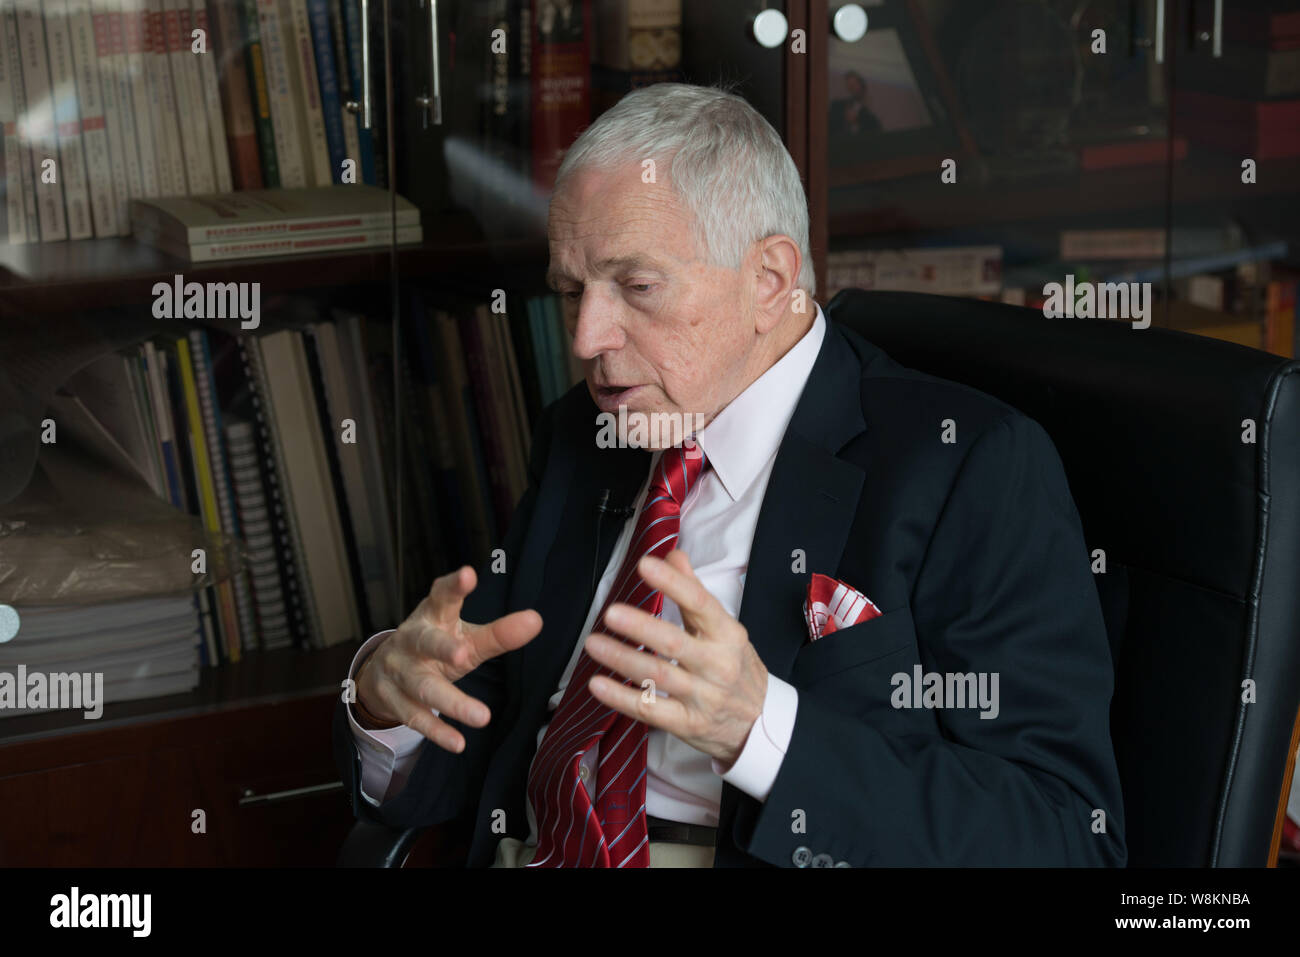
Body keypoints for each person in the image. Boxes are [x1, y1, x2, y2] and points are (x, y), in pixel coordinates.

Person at [333, 82, 1127, 868]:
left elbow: (1062, 834)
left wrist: (762, 727)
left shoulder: (969, 468)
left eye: (636, 287)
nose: (585, 337)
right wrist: (385, 698)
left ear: (770, 280)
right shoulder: (585, 433)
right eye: (571, 290)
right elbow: (489, 731)